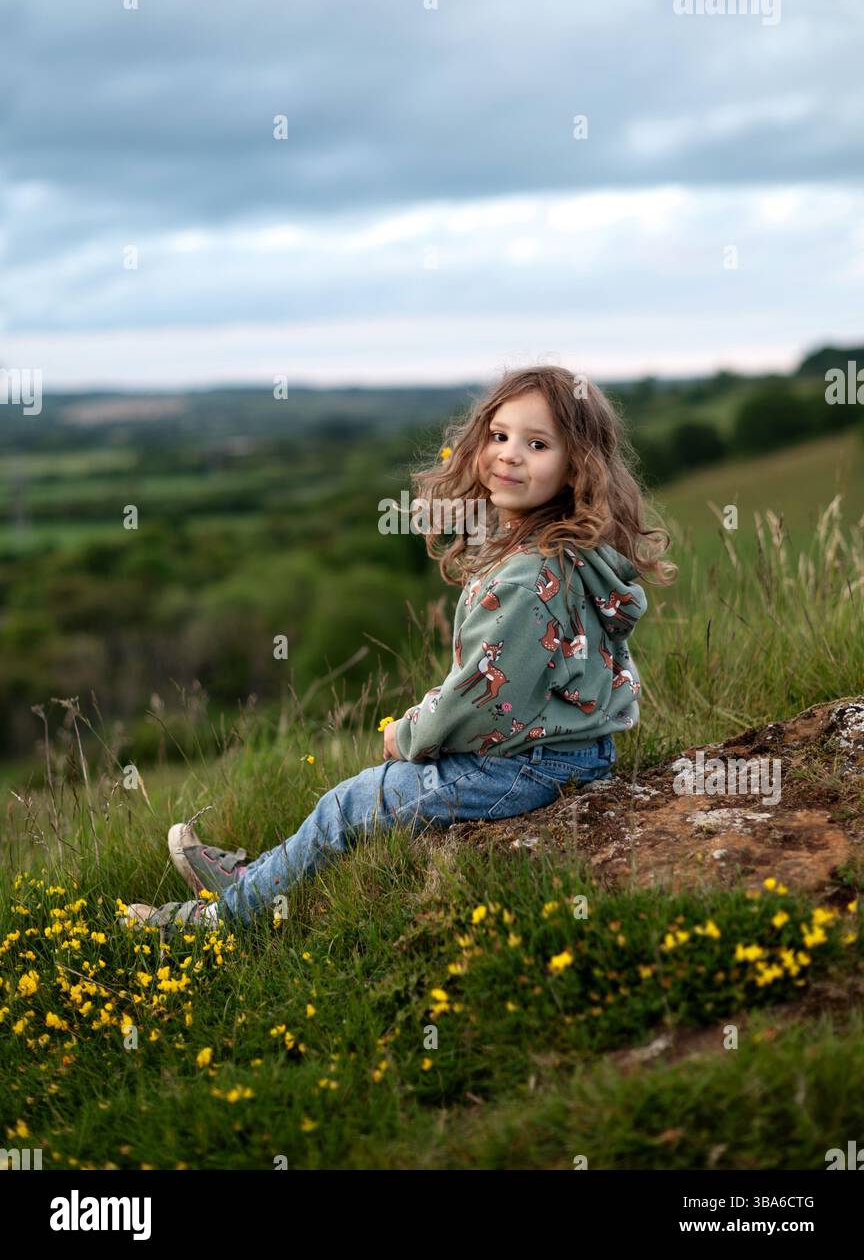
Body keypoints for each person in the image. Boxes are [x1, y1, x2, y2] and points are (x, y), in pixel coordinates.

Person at [119, 365, 676, 937]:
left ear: (575, 466)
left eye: (536, 444)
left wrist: (409, 735)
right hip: (576, 751)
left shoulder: (527, 577)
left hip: (529, 768)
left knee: (351, 803)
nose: (509, 455)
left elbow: (483, 702)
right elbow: (510, 677)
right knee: (358, 797)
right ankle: (258, 878)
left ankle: (219, 921)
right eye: (499, 435)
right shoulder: (570, 552)